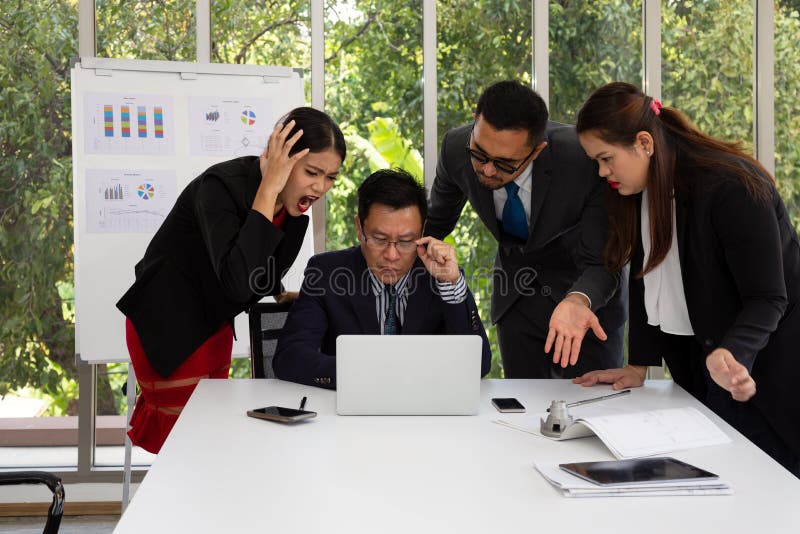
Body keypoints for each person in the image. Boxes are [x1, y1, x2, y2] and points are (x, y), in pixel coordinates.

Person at [572, 82, 800, 476]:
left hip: (768, 366)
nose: (601, 171)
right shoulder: (641, 191)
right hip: (707, 365)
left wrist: (734, 354)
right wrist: (639, 365)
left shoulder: (733, 186)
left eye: (606, 158)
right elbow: (648, 274)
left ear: (644, 143)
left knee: (772, 485)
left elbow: (768, 298)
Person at [116, 107, 346, 453]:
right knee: (184, 448)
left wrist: (280, 292)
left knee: (207, 439)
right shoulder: (221, 187)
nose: (321, 187)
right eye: (313, 172)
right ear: (279, 156)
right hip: (167, 325)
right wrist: (268, 189)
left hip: (213, 324)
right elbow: (238, 282)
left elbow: (258, 269)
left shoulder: (295, 212)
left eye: (331, 177)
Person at [425, 80, 627, 379]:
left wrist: (578, 300)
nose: (488, 169)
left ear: (537, 151)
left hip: (584, 306)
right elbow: (435, 224)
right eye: (479, 153)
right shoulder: (456, 148)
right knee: (521, 411)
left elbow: (604, 259)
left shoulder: (583, 159)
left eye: (505, 163)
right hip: (516, 300)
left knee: (589, 412)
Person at [273, 168, 492, 388]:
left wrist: (450, 285)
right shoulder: (326, 273)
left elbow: (478, 365)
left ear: (422, 230)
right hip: (349, 411)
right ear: (360, 229)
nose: (392, 255)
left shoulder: (440, 276)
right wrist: (368, 373)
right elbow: (289, 358)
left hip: (425, 412)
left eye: (406, 241)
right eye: (379, 239)